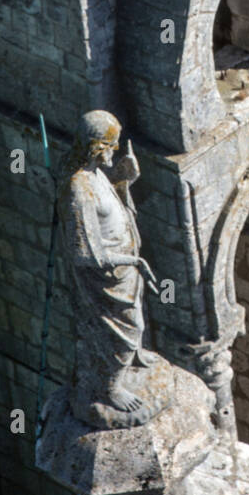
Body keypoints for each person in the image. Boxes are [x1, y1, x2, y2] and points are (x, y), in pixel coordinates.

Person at [59, 110, 159, 428]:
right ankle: (110, 387)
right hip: (105, 280)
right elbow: (85, 253)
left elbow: (112, 207)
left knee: (136, 323)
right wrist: (134, 261)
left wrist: (125, 179)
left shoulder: (96, 175)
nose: (114, 152)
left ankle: (135, 357)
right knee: (127, 331)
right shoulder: (79, 188)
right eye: (111, 147)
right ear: (95, 147)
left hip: (123, 275)